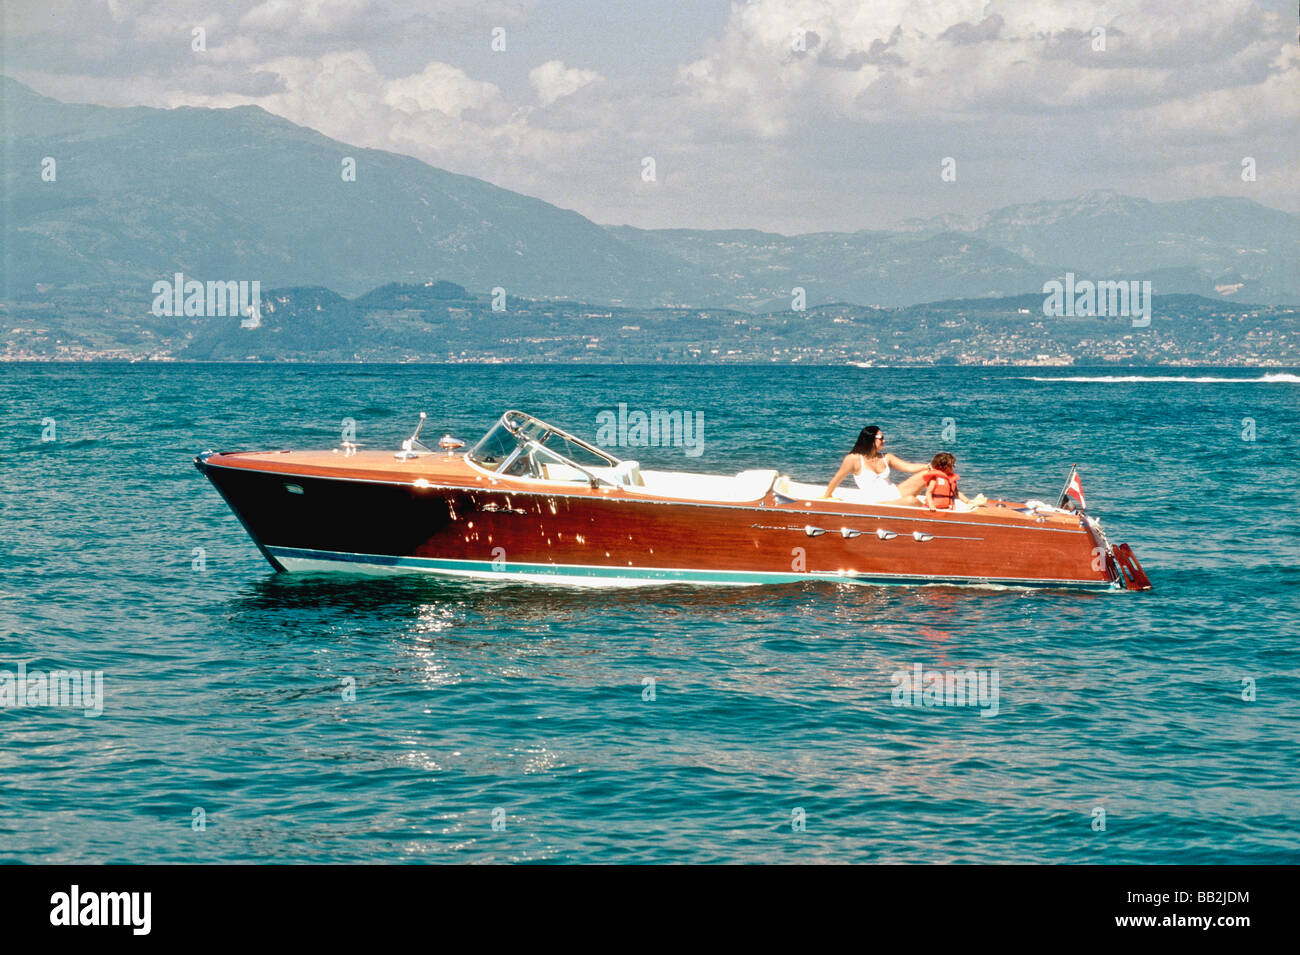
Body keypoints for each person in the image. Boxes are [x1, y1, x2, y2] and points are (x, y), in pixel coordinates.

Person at [822, 425, 931, 505]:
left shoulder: (886, 457)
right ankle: (931, 515)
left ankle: (938, 500)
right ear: (870, 439)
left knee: (927, 473)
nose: (884, 440)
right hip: (876, 501)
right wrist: (827, 496)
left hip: (894, 492)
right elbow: (837, 478)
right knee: (912, 500)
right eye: (881, 438)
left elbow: (909, 467)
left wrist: (929, 466)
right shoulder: (854, 459)